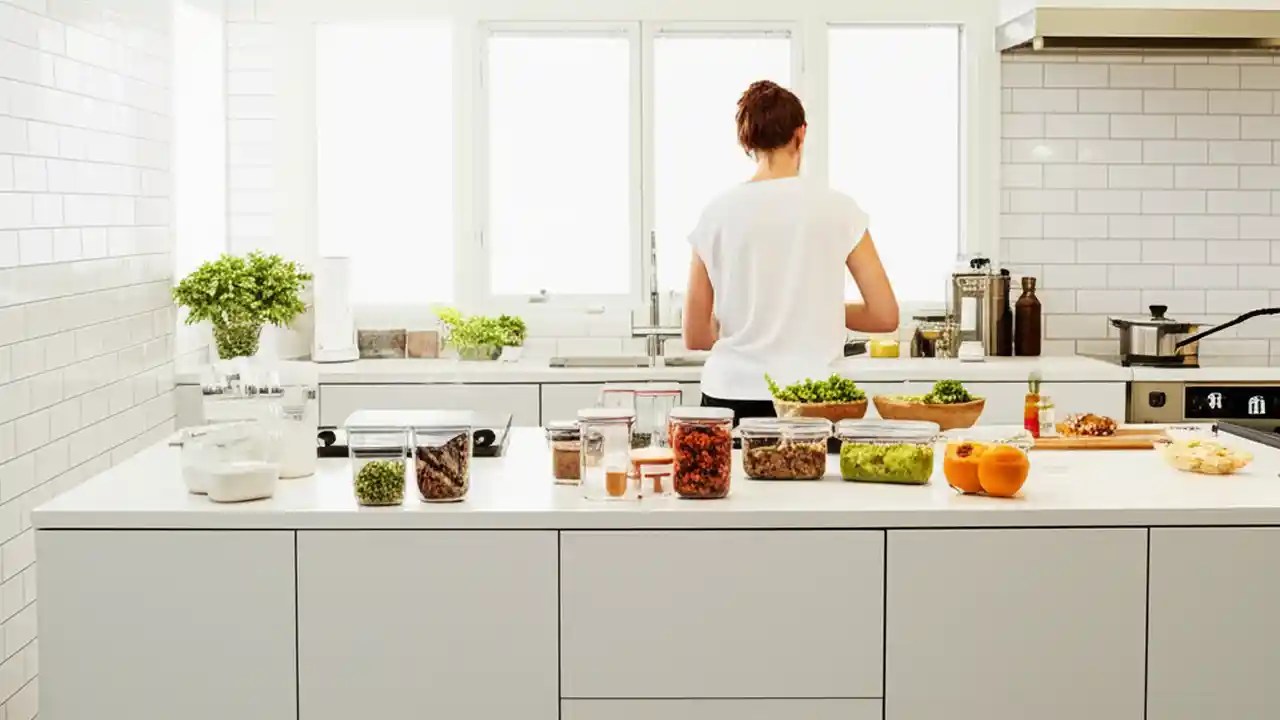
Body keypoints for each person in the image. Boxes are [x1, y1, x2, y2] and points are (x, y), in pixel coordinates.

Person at [682, 80, 899, 422]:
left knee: (735, 478)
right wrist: (810, 309)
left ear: (746, 141)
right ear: (801, 134)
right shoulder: (839, 210)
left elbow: (695, 334)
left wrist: (755, 316)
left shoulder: (716, 214)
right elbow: (884, 315)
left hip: (731, 394)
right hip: (813, 399)